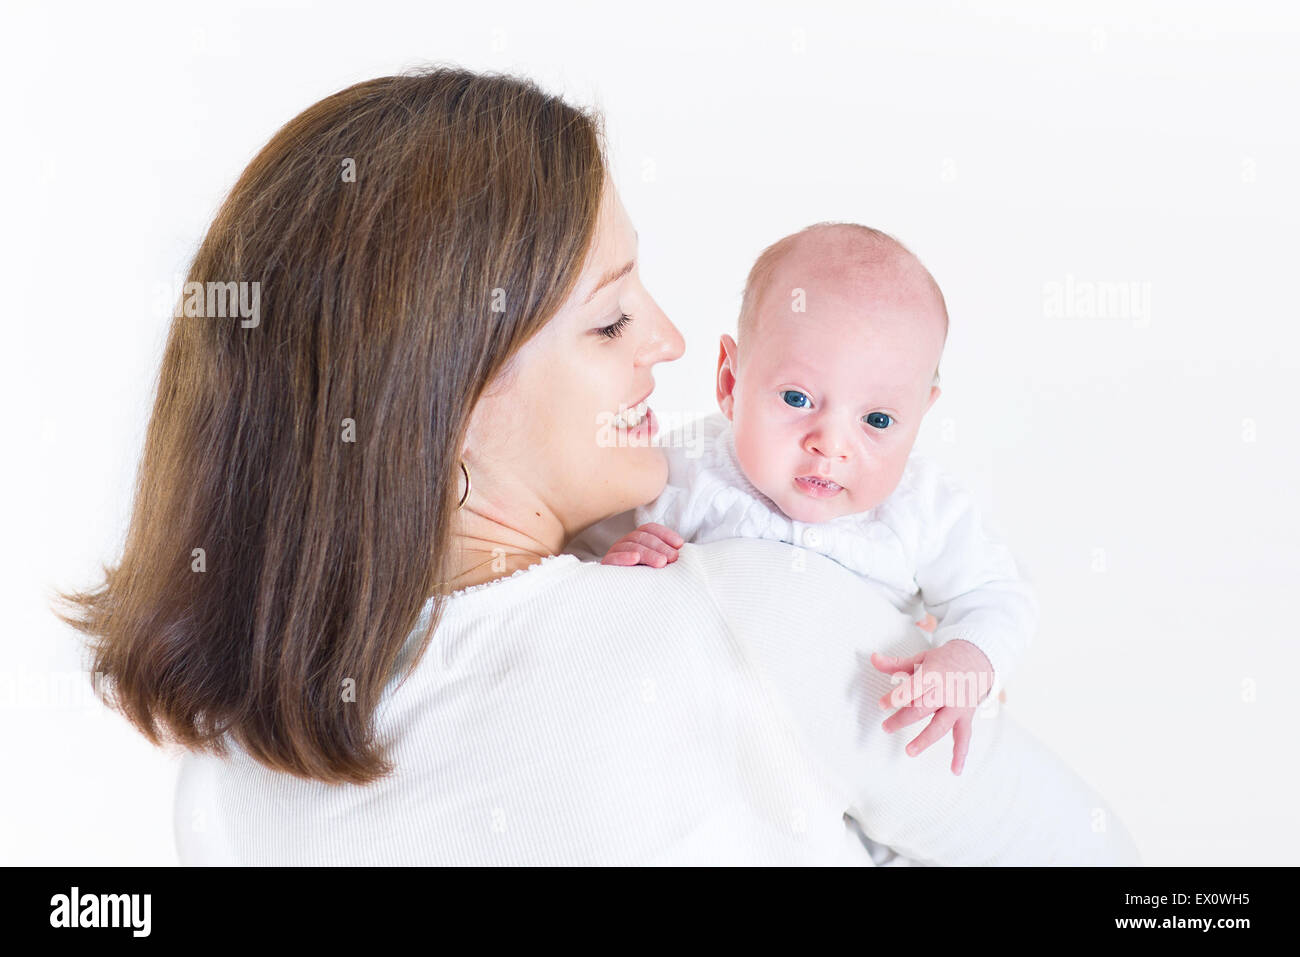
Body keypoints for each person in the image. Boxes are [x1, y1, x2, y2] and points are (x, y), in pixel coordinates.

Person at [59, 67, 1140, 865]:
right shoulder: (746, 613)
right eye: (611, 317)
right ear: (449, 391)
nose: (668, 343)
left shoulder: (230, 771)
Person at [593, 223, 1035, 777]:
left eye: (877, 420)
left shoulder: (922, 508)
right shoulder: (678, 469)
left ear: (921, 415)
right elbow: (580, 567)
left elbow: (995, 594)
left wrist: (967, 659)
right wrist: (618, 566)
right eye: (798, 399)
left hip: (867, 748)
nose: (830, 443)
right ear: (730, 381)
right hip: (710, 750)